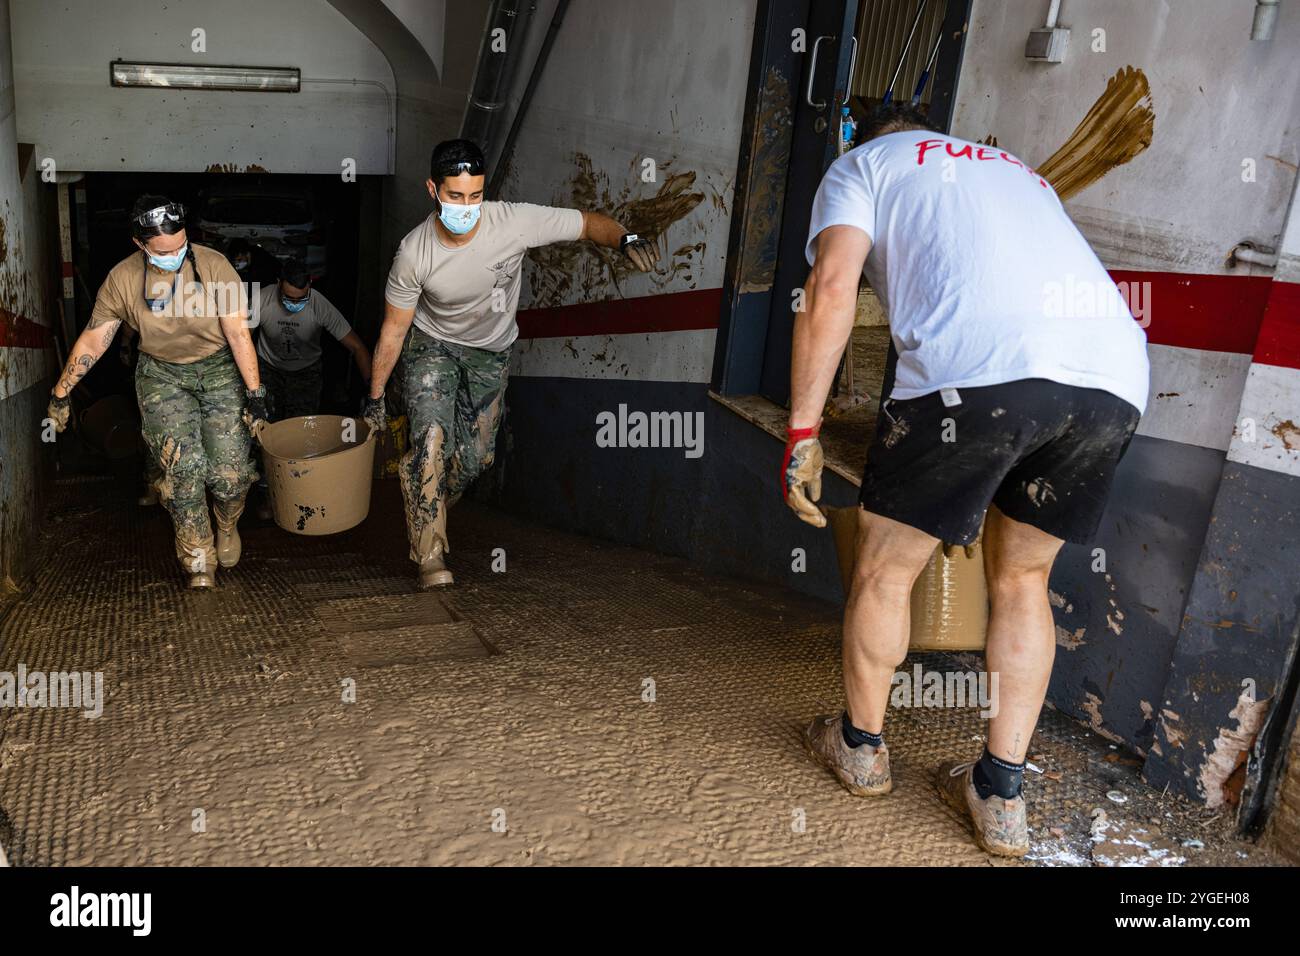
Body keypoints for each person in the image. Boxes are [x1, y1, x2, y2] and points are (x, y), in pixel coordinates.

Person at [784, 105, 1149, 857]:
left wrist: (801, 430)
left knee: (885, 572)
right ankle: (1001, 794)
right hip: (1112, 382)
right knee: (1022, 582)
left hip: (975, 379)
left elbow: (830, 290)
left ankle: (861, 747)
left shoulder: (863, 166)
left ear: (869, 135)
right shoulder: (1021, 175)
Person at [363, 139, 660, 589]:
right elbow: (393, 331)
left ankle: (434, 499)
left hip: (490, 351)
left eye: (475, 195)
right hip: (432, 345)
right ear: (433, 190)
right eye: (456, 196)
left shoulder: (514, 221)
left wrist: (626, 238)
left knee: (477, 459)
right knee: (430, 441)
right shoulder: (413, 254)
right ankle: (430, 556)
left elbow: (586, 224)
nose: (467, 206)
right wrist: (376, 397)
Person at [46, 195, 267, 588]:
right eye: (164, 251)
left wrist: (255, 395)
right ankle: (199, 557)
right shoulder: (122, 279)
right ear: (139, 244)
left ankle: (227, 523)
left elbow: (238, 332)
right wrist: (61, 393)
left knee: (230, 475)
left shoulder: (216, 265)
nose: (175, 256)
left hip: (218, 370)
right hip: (161, 375)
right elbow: (94, 341)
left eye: (181, 246)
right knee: (183, 472)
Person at [254, 257, 372, 422]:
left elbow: (357, 347)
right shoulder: (261, 299)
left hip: (306, 375)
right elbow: (240, 338)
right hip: (268, 370)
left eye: (301, 298)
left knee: (301, 428)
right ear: (278, 284)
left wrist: (373, 394)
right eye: (289, 298)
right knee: (266, 425)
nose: (295, 303)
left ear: (310, 284)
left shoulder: (320, 305)